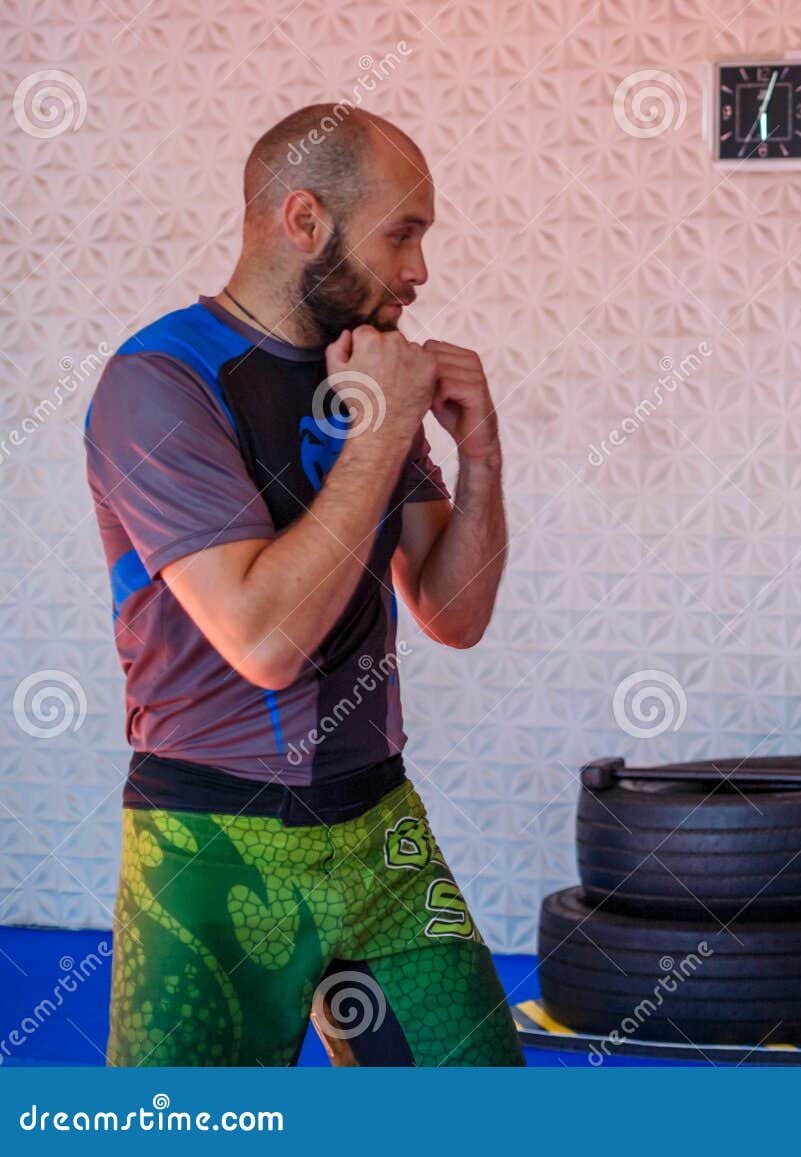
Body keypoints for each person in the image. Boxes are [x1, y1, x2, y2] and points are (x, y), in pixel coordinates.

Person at [82, 104, 521, 1066]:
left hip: (381, 825)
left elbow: (454, 613)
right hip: (212, 836)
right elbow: (263, 640)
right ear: (306, 220)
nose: (421, 270)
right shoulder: (158, 381)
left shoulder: (367, 373)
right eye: (402, 234)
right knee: (180, 1131)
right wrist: (381, 430)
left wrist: (481, 454)